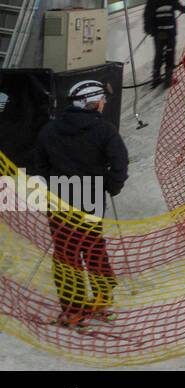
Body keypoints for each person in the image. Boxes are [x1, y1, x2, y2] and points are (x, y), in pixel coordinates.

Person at [31, 80, 128, 329]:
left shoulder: (50, 129)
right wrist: (110, 186)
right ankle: (102, 297)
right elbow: (119, 164)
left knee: (66, 255)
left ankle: (74, 308)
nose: (104, 104)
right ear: (91, 102)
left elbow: (39, 164)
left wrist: (54, 182)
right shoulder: (105, 131)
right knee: (94, 248)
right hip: (91, 198)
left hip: (61, 198)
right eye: (102, 100)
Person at [143, 0, 185, 89]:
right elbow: (182, 9)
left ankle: (156, 78)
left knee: (158, 55)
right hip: (170, 33)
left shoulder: (152, 0)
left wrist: (150, 31)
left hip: (158, 34)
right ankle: (168, 79)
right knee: (170, 54)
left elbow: (147, 17)